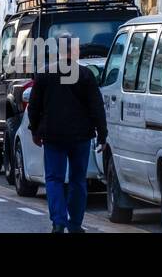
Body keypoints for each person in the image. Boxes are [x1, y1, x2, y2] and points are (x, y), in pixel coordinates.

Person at [27, 40, 107, 234]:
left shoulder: (45, 74)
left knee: (54, 178)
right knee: (78, 179)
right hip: (80, 137)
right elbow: (97, 107)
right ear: (75, 52)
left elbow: (34, 106)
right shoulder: (86, 75)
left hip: (53, 136)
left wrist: (35, 130)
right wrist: (102, 135)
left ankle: (58, 221)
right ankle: (75, 224)